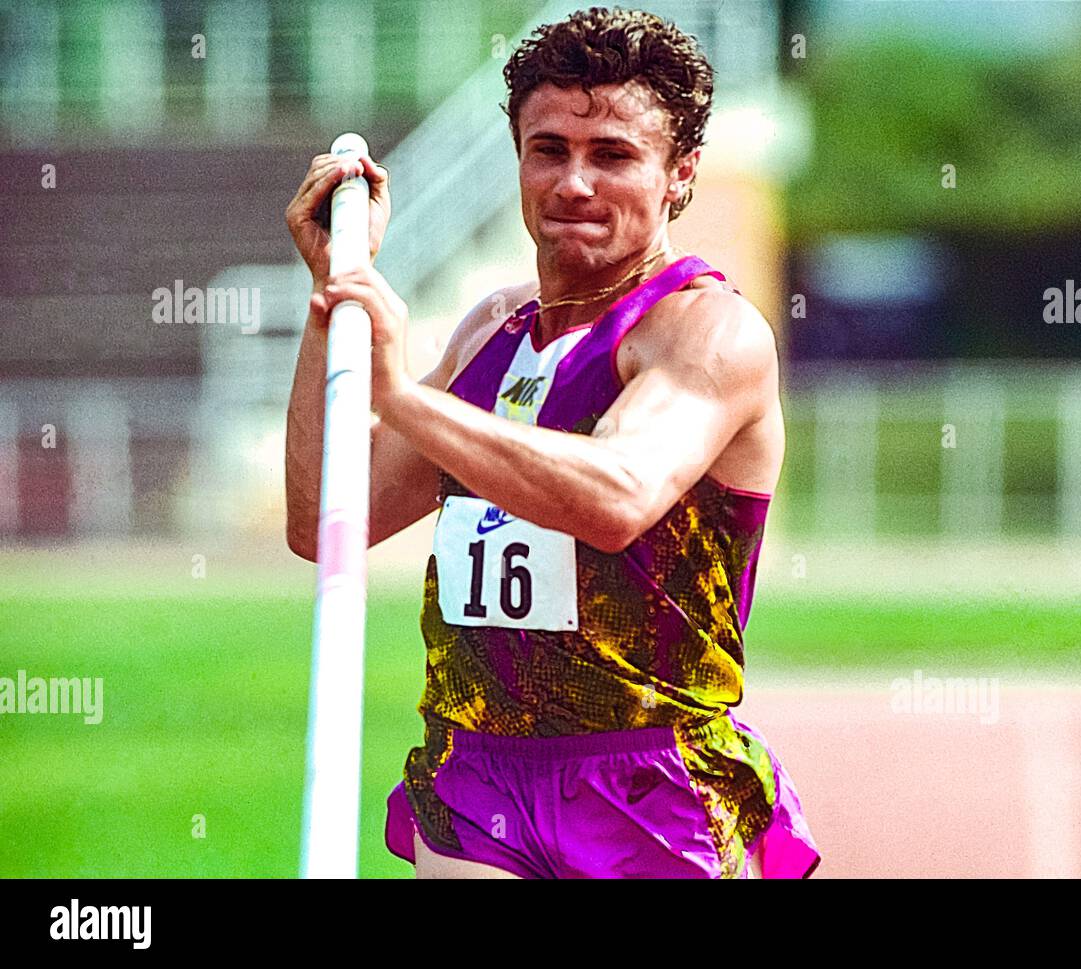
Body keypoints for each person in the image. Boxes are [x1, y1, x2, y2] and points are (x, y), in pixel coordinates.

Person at [284, 6, 820, 879]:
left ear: (681, 174)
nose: (575, 183)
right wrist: (333, 304)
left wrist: (398, 397)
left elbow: (616, 498)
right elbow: (323, 518)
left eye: (613, 154)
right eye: (549, 150)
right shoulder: (489, 333)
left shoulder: (708, 334)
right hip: (478, 774)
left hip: (649, 784)